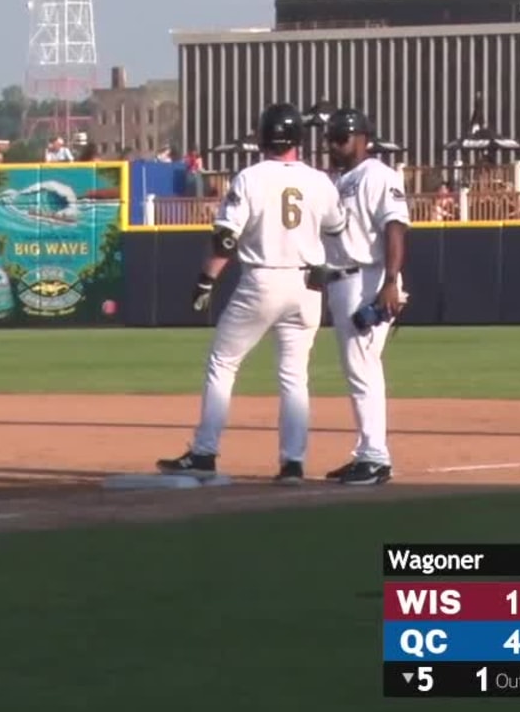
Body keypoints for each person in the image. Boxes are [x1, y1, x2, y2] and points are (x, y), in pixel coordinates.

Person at [156, 102, 346, 485]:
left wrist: (207, 279)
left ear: (262, 137)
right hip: (308, 284)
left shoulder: (250, 177)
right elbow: (337, 226)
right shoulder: (319, 180)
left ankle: (204, 453)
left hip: (263, 278)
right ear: (298, 139)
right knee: (295, 376)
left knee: (223, 363)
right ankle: (292, 463)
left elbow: (226, 238)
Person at [319, 109, 409, 486]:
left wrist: (389, 281)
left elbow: (395, 227)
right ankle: (366, 452)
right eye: (331, 138)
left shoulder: (378, 175)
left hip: (368, 279)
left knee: (364, 370)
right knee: (358, 370)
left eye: (342, 137)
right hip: (342, 279)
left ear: (362, 139)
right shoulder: (340, 181)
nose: (335, 145)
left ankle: (374, 457)